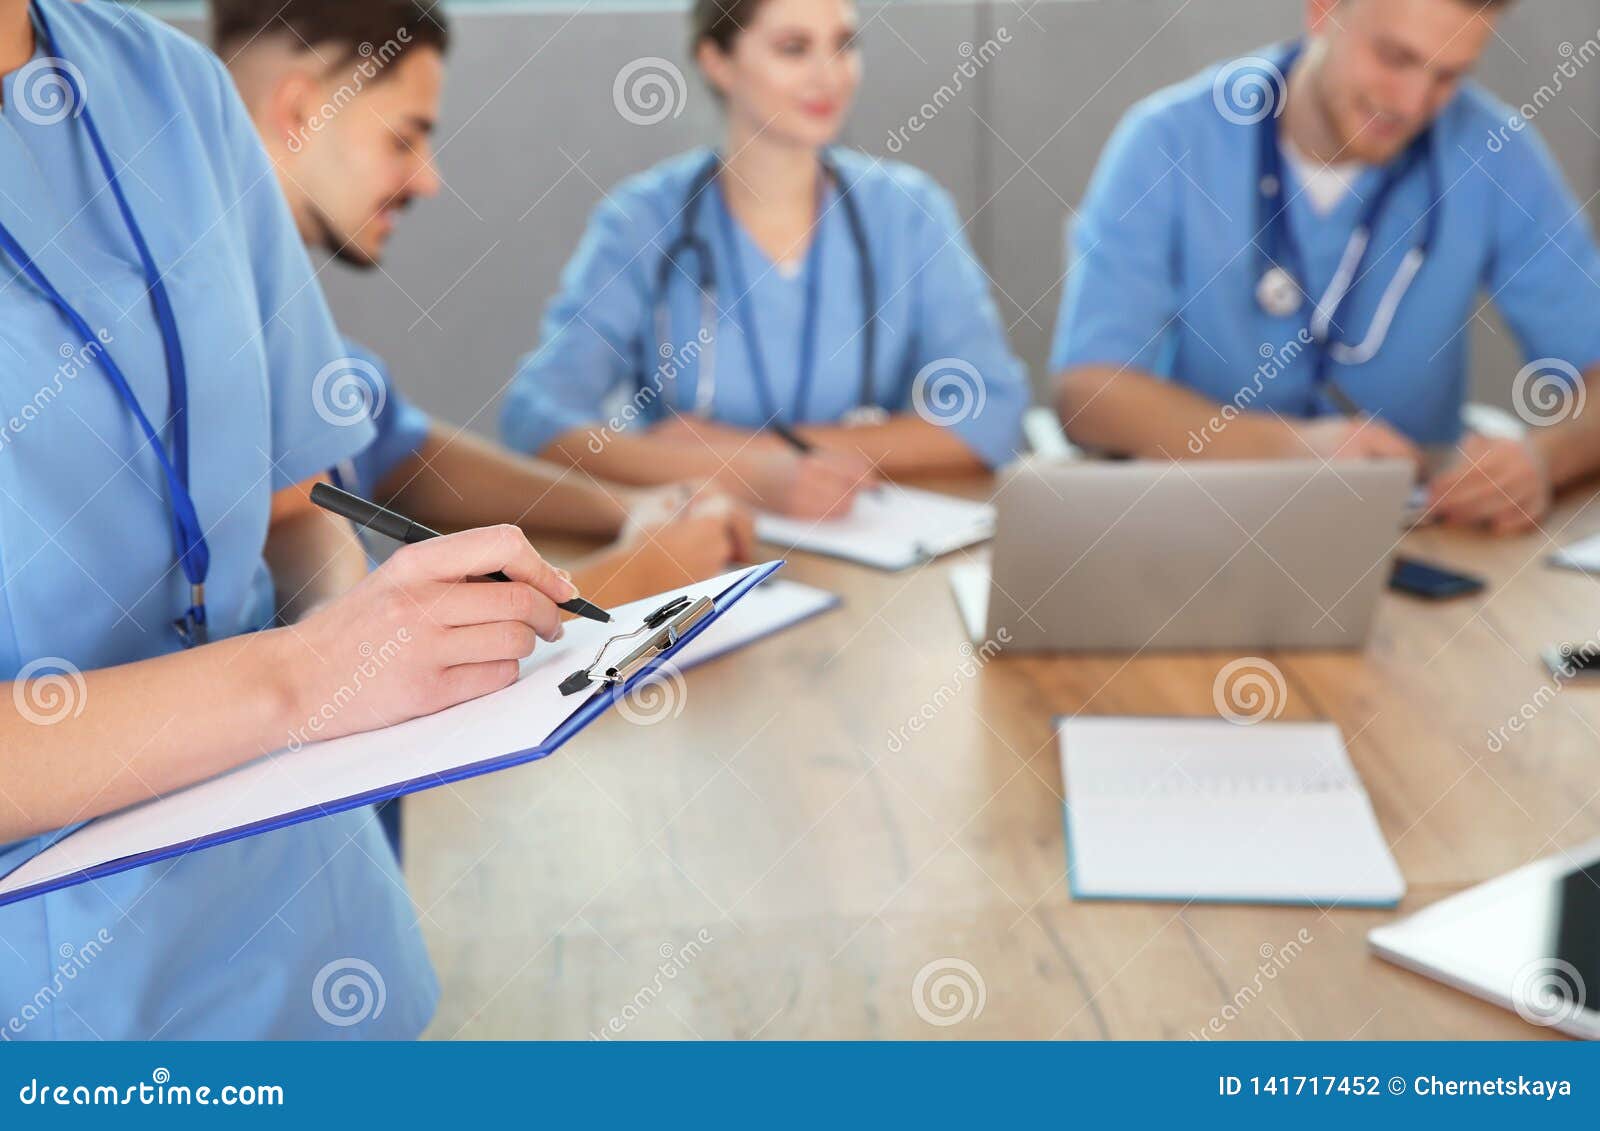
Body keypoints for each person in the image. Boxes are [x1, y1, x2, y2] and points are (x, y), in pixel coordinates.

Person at [0, 0, 576, 1039]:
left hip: (327, 941)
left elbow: (289, 507)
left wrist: (385, 651)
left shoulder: (172, 86)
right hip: (76, 1010)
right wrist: (309, 678)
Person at [212, 0, 754, 610]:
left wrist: (627, 506)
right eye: (403, 137)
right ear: (301, 112)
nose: (427, 179)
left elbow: (401, 455)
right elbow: (361, 651)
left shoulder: (282, 315)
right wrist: (638, 575)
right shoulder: (206, 337)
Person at [1052, 0, 1600, 534]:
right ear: (1322, 12)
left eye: (1448, 76)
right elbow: (1089, 393)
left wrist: (1544, 459)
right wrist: (1291, 449)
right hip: (1202, 528)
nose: (1412, 104)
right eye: (1395, 58)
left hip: (1420, 539)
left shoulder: (1494, 150)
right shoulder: (1169, 140)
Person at [499, 0, 1028, 519]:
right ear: (717, 61)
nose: (830, 76)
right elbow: (537, 419)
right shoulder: (642, 221)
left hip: (868, 549)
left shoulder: (908, 213)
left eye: (844, 45)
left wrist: (752, 448)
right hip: (701, 554)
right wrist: (749, 476)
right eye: (794, 48)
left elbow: (993, 414)